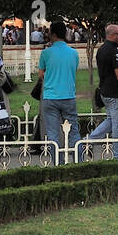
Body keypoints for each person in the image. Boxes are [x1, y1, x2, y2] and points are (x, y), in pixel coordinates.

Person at [38, 20, 80, 164]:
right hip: (68, 95)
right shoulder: (74, 53)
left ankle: (58, 163)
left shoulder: (46, 53)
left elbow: (41, 73)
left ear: (53, 34)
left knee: (53, 134)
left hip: (50, 97)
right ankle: (78, 161)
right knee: (74, 131)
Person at [87, 24, 118, 160]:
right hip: (115, 93)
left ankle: (88, 141)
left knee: (111, 121)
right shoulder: (113, 52)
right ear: (113, 34)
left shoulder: (101, 50)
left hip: (104, 91)